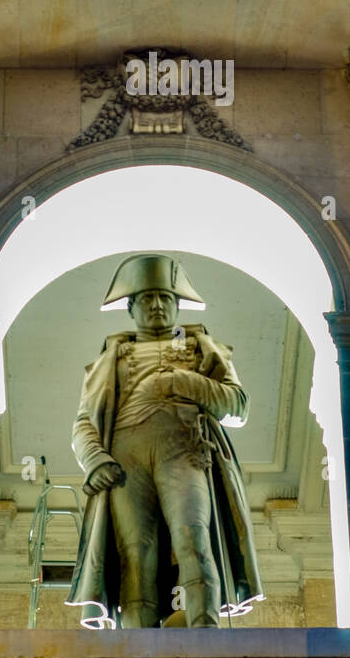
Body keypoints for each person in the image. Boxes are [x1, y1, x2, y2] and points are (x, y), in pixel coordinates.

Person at [67, 253, 263, 628]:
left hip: (186, 451)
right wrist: (95, 459)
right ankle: (137, 643)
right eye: (146, 298)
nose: (157, 305)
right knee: (135, 552)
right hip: (126, 458)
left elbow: (237, 405)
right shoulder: (112, 358)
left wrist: (179, 381)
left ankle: (204, 630)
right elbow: (83, 422)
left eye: (166, 298)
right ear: (131, 308)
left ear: (176, 305)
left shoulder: (203, 347)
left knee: (193, 536)